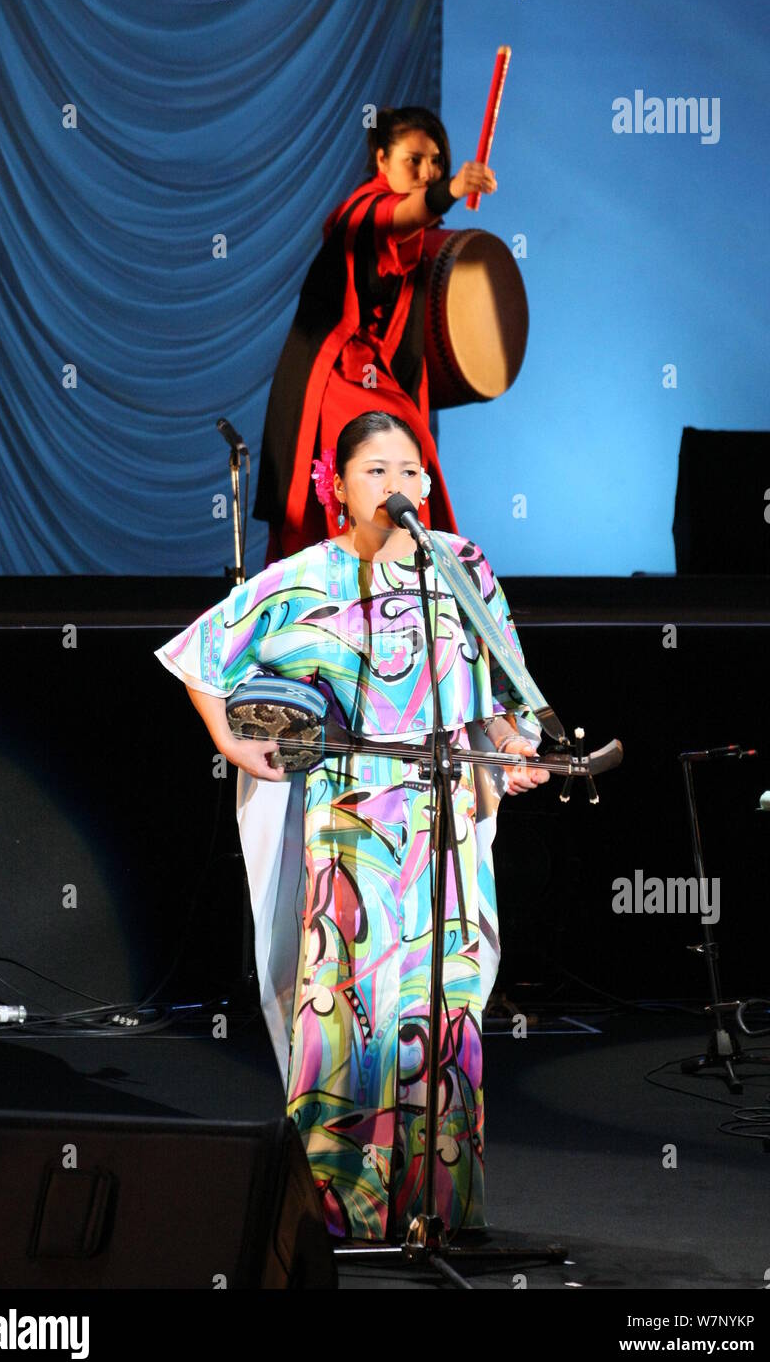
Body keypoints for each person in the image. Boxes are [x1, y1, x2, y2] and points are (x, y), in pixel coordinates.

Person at [155, 410, 549, 1242]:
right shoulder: (305, 575)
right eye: (376, 470)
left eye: (411, 471)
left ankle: (438, 1210)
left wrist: (514, 749)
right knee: (346, 1015)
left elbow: (505, 698)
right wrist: (231, 741)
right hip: (350, 815)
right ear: (339, 487)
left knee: (445, 1007)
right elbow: (198, 651)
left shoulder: (464, 566)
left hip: (443, 819)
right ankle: (332, 1216)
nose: (397, 486)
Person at [253, 106, 498, 563]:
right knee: (385, 451)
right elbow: (400, 215)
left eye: (437, 162)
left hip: (373, 372)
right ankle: (361, 589)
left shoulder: (419, 236)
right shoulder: (365, 210)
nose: (428, 171)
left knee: (404, 450)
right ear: (382, 160)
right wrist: (452, 189)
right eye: (415, 160)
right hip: (337, 377)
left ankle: (406, 596)